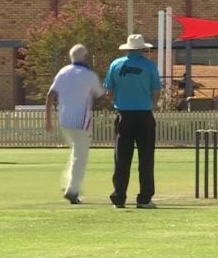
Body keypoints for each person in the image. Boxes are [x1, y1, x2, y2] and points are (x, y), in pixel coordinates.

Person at [104, 34, 162, 209]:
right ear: (142, 48)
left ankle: (119, 197)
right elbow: (156, 91)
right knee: (146, 158)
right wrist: (151, 104)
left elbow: (108, 90)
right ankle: (144, 198)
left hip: (124, 114)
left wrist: (119, 101)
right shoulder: (150, 66)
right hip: (144, 114)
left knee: (121, 158)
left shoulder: (116, 64)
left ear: (128, 48)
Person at [45, 44, 105, 205]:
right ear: (85, 57)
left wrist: (48, 119)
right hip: (81, 120)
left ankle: (67, 182)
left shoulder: (63, 72)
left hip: (64, 119)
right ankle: (72, 190)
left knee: (76, 152)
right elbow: (100, 93)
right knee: (81, 156)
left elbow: (50, 94)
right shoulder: (88, 75)